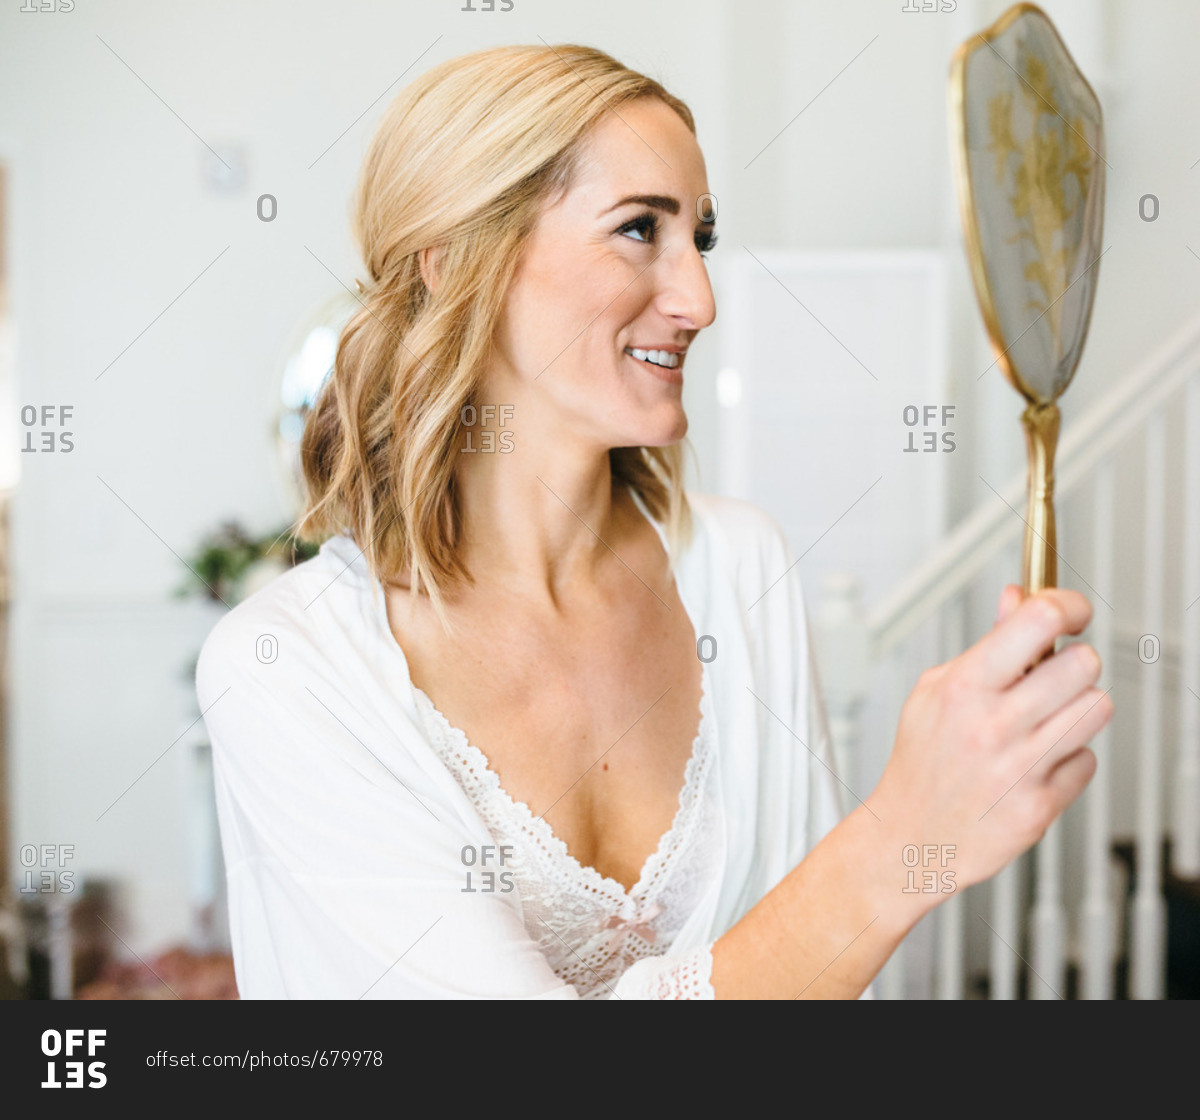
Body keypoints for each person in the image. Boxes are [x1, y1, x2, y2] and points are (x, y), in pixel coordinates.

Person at [196, 43, 1111, 999]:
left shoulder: (736, 566)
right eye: (640, 229)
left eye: (700, 240)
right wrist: (898, 843)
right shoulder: (289, 666)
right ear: (456, 260)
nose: (699, 301)